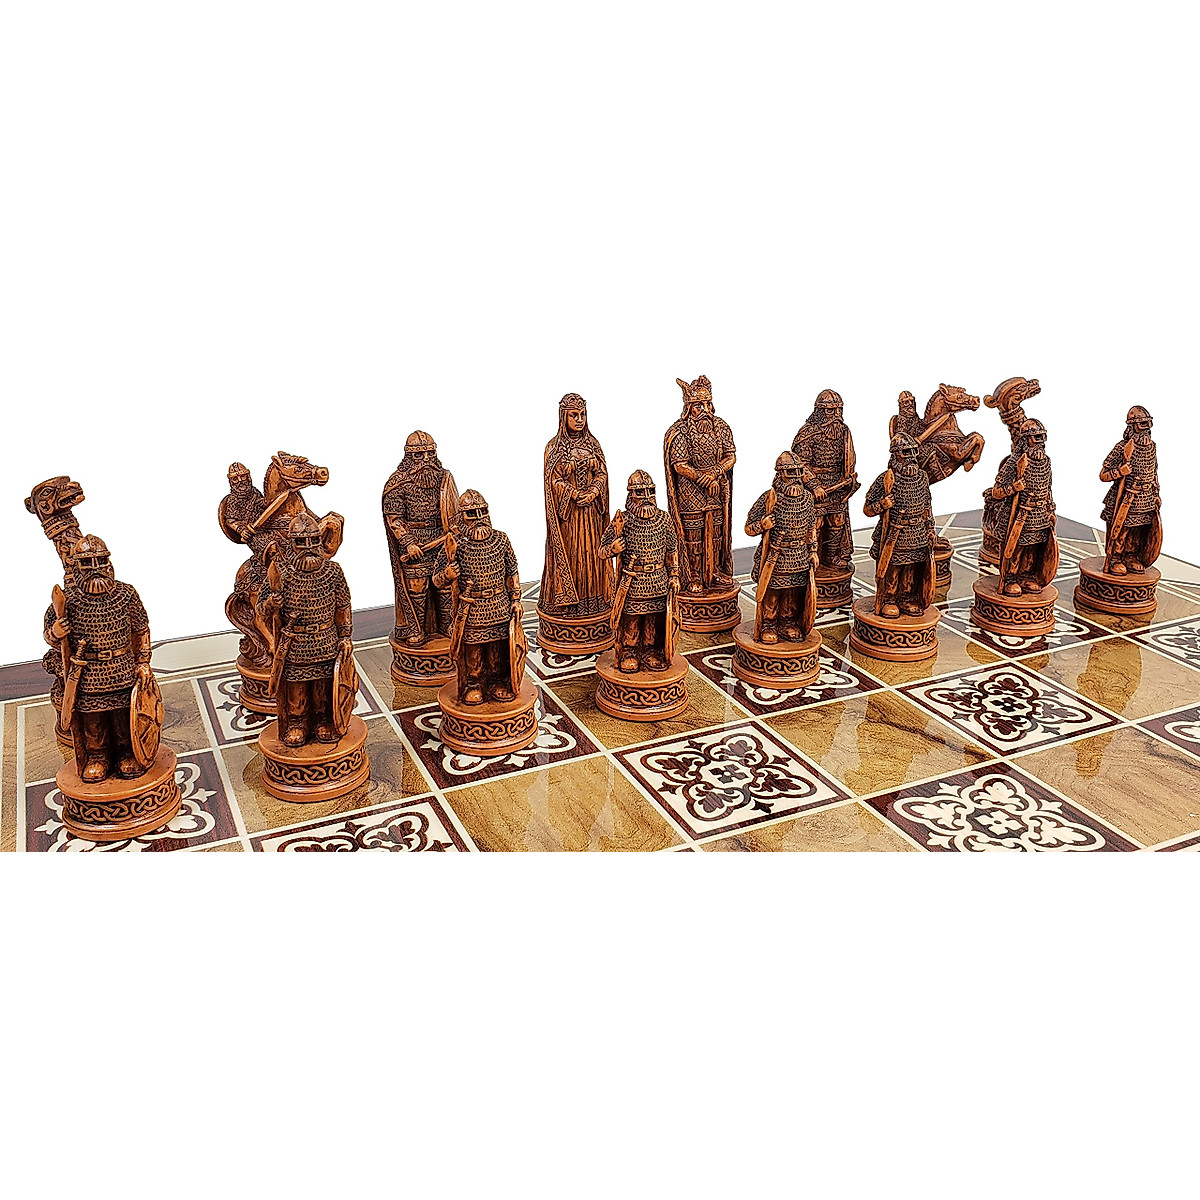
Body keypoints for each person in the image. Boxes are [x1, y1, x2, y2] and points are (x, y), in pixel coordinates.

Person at [382, 431, 459, 645]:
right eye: (419, 455)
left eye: (430, 454)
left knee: (444, 583)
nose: (425, 459)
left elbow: (452, 508)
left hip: (442, 540)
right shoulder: (398, 484)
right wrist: (408, 543)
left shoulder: (443, 478)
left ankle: (447, 624)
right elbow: (394, 519)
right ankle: (415, 627)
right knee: (417, 587)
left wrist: (453, 532)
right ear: (409, 457)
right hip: (416, 543)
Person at [600, 471, 680, 672]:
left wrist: (674, 575)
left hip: (658, 580)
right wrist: (613, 549)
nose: (646, 497)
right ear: (631, 495)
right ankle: (630, 652)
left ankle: (651, 651)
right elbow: (601, 551)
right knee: (632, 620)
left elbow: (672, 550)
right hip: (633, 582)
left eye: (650, 491)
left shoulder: (664, 519)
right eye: (640, 492)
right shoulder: (623, 521)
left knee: (654, 619)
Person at [745, 451, 819, 643]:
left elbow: (811, 527)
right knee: (772, 593)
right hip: (775, 555)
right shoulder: (769, 499)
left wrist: (813, 550)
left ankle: (787, 623)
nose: (796, 477)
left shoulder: (807, 499)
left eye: (799, 472)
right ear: (780, 474)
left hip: (799, 554)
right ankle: (768, 624)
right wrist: (762, 525)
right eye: (790, 472)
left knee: (793, 593)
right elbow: (749, 528)